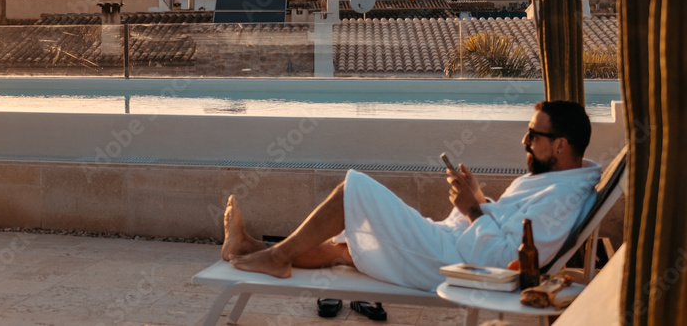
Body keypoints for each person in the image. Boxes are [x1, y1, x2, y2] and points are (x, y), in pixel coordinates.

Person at [221, 100, 601, 292]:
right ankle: (249, 247)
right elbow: (507, 228)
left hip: (454, 262)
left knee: (353, 190)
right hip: (453, 244)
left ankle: (277, 257)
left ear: (562, 145)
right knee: (347, 247)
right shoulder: (557, 181)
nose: (525, 142)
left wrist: (472, 210)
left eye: (534, 136)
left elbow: (507, 262)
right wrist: (479, 198)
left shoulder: (561, 201)